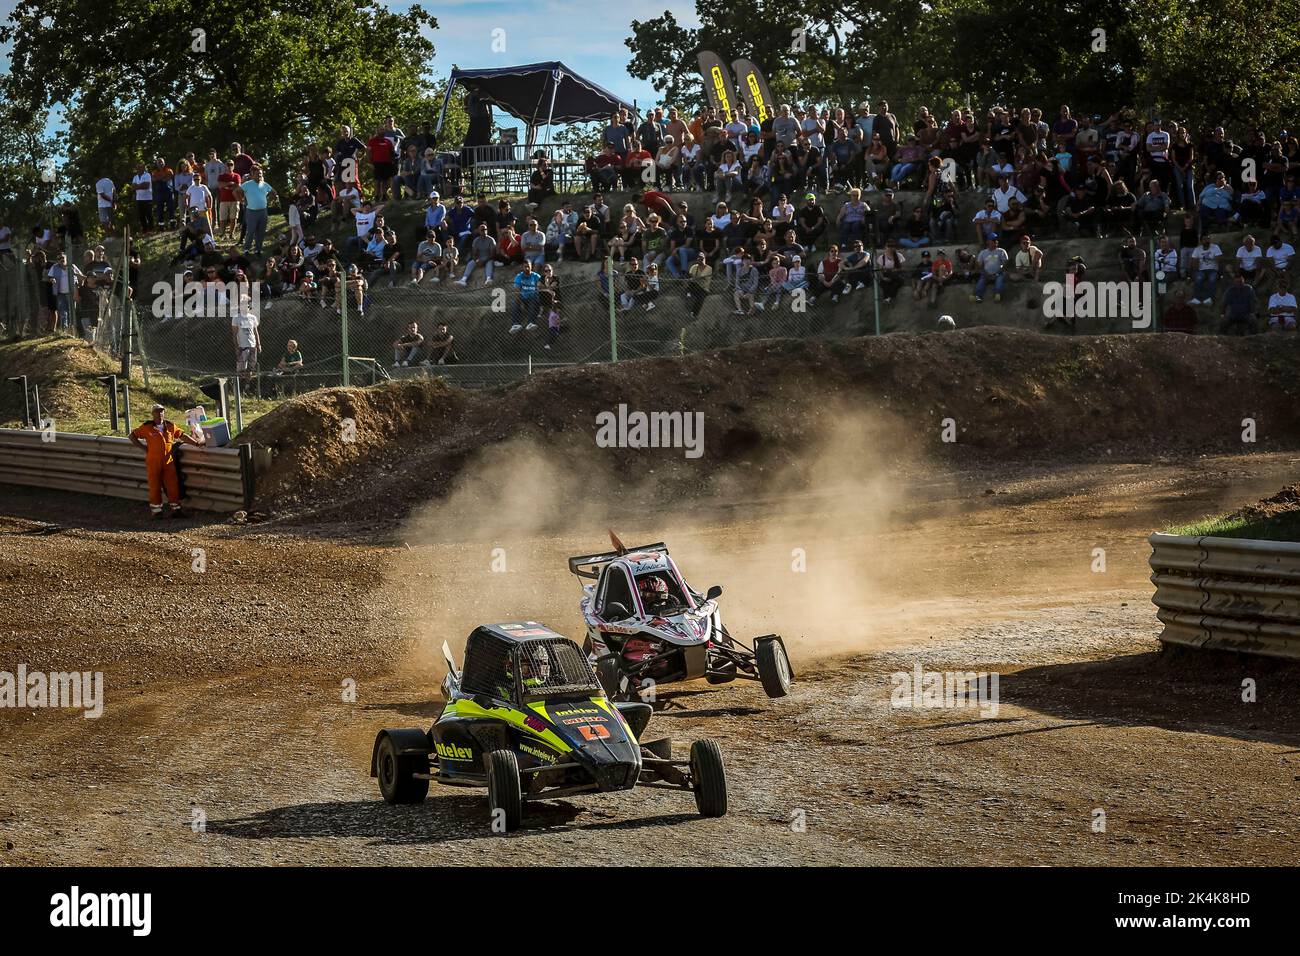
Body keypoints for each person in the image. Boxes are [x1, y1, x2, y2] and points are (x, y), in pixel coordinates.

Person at [128, 404, 205, 519]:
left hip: (168, 462)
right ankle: (156, 511)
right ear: (152, 414)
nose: (160, 414)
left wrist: (196, 443)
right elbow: (132, 436)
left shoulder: (170, 426)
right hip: (153, 461)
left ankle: (176, 510)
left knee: (173, 486)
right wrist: (144, 448)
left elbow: (182, 436)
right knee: (155, 486)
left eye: (161, 411)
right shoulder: (146, 427)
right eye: (157, 412)